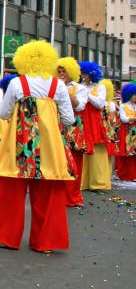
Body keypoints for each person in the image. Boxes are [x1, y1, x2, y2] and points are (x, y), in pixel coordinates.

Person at [0, 41, 75, 253]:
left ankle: (3, 237)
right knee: (48, 192)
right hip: (49, 147)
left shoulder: (17, 84)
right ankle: (46, 242)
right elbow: (69, 119)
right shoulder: (57, 86)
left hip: (20, 145)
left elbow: (3, 114)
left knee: (10, 190)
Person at [56, 57, 87, 208]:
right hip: (58, 125)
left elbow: (79, 106)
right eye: (59, 71)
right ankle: (59, 195)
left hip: (74, 128)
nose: (61, 74)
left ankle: (74, 196)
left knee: (75, 161)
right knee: (59, 160)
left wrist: (64, 90)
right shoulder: (54, 85)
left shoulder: (79, 88)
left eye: (64, 71)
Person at [78, 62, 111, 192]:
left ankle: (99, 182)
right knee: (83, 147)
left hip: (94, 120)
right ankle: (83, 182)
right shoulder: (80, 86)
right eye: (83, 74)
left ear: (92, 74)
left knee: (97, 148)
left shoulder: (100, 87)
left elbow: (100, 104)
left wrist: (87, 94)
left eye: (86, 74)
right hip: (82, 119)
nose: (84, 76)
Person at [115, 83, 136, 182]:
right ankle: (126, 174)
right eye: (134, 95)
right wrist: (133, 118)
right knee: (127, 154)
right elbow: (123, 119)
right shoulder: (123, 105)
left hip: (134, 133)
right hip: (126, 132)